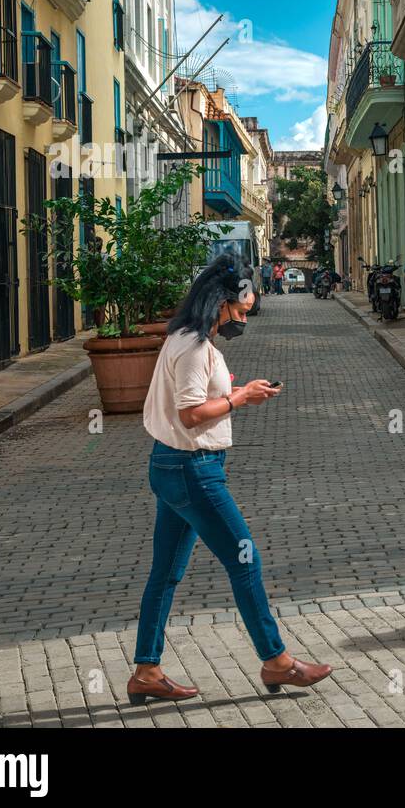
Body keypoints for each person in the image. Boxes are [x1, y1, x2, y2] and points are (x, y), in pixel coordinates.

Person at [129, 255, 332, 704]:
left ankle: (146, 669)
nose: (244, 317)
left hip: (172, 465)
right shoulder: (196, 346)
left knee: (165, 573)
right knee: (245, 561)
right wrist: (239, 398)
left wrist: (235, 391)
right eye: (241, 310)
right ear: (222, 301)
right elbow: (191, 413)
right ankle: (276, 661)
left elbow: (196, 400)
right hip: (194, 469)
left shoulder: (182, 336)